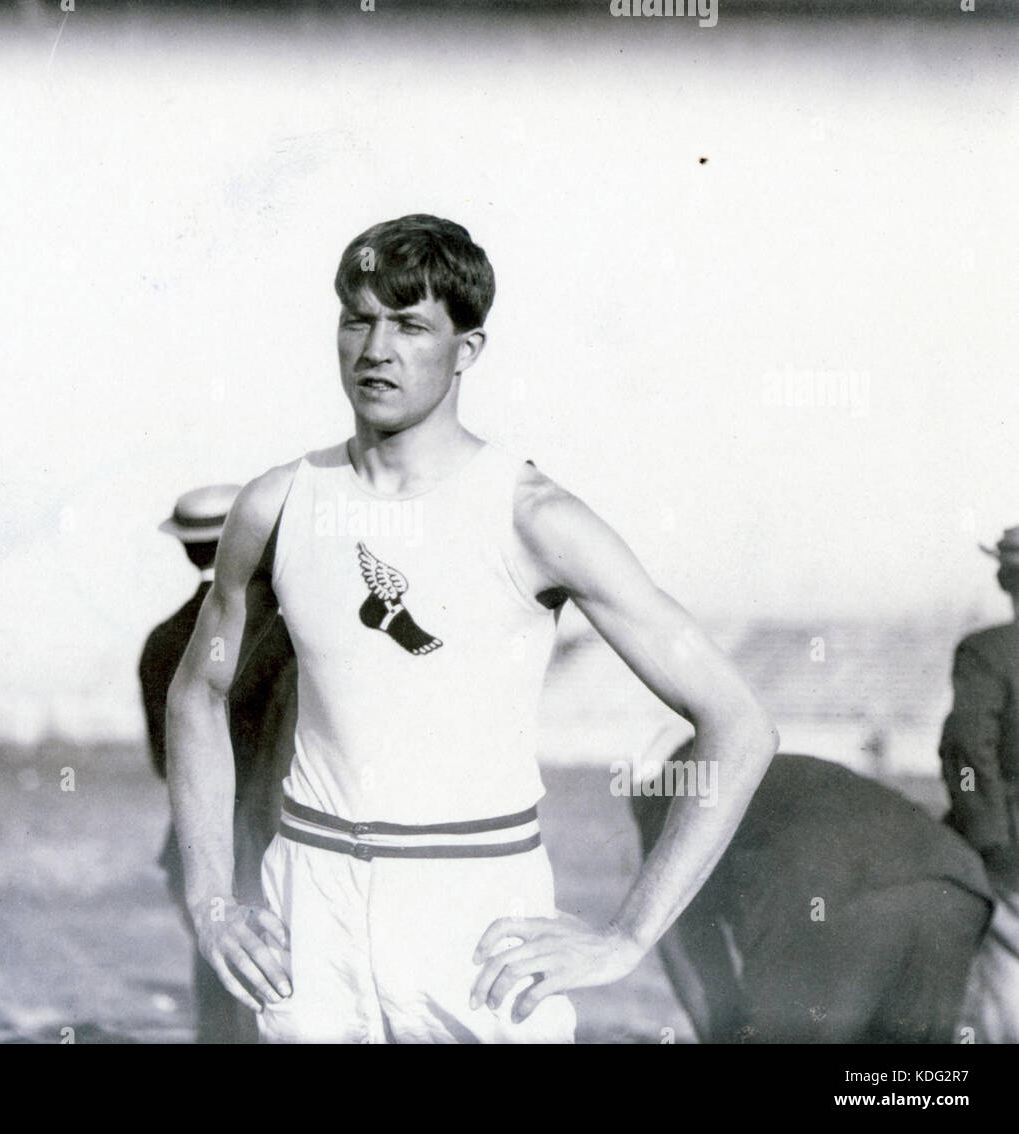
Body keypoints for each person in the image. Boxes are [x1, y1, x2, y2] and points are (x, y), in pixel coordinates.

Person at [165, 214, 778, 1043]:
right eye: (358, 319)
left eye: (411, 325)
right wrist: (209, 900)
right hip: (308, 909)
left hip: (474, 918)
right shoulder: (277, 505)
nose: (375, 348)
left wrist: (627, 936)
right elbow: (197, 695)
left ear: (467, 348)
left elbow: (737, 723)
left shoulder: (535, 518)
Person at [631, 743, 992, 1043]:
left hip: (841, 898)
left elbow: (685, 939)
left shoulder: (672, 797)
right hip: (952, 882)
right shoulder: (785, 771)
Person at [138, 484, 295, 1043]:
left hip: (191, 850)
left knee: (220, 997)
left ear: (187, 550)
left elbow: (166, 762)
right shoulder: (287, 632)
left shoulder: (161, 642)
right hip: (275, 842)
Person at [940, 525, 1019, 1041]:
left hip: (1011, 853)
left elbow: (967, 749)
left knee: (1009, 978)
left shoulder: (987, 651)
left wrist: (989, 841)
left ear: (1005, 580)